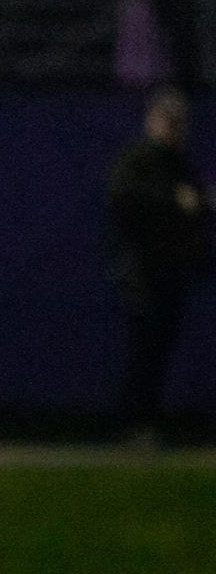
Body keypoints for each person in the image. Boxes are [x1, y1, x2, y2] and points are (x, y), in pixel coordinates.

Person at [108, 87, 211, 439]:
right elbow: (125, 200)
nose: (173, 128)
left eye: (178, 122)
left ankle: (144, 424)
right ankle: (134, 424)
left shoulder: (181, 165)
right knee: (144, 348)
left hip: (170, 272)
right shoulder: (137, 160)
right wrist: (177, 201)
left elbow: (195, 215)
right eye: (167, 120)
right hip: (142, 272)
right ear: (152, 121)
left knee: (158, 348)